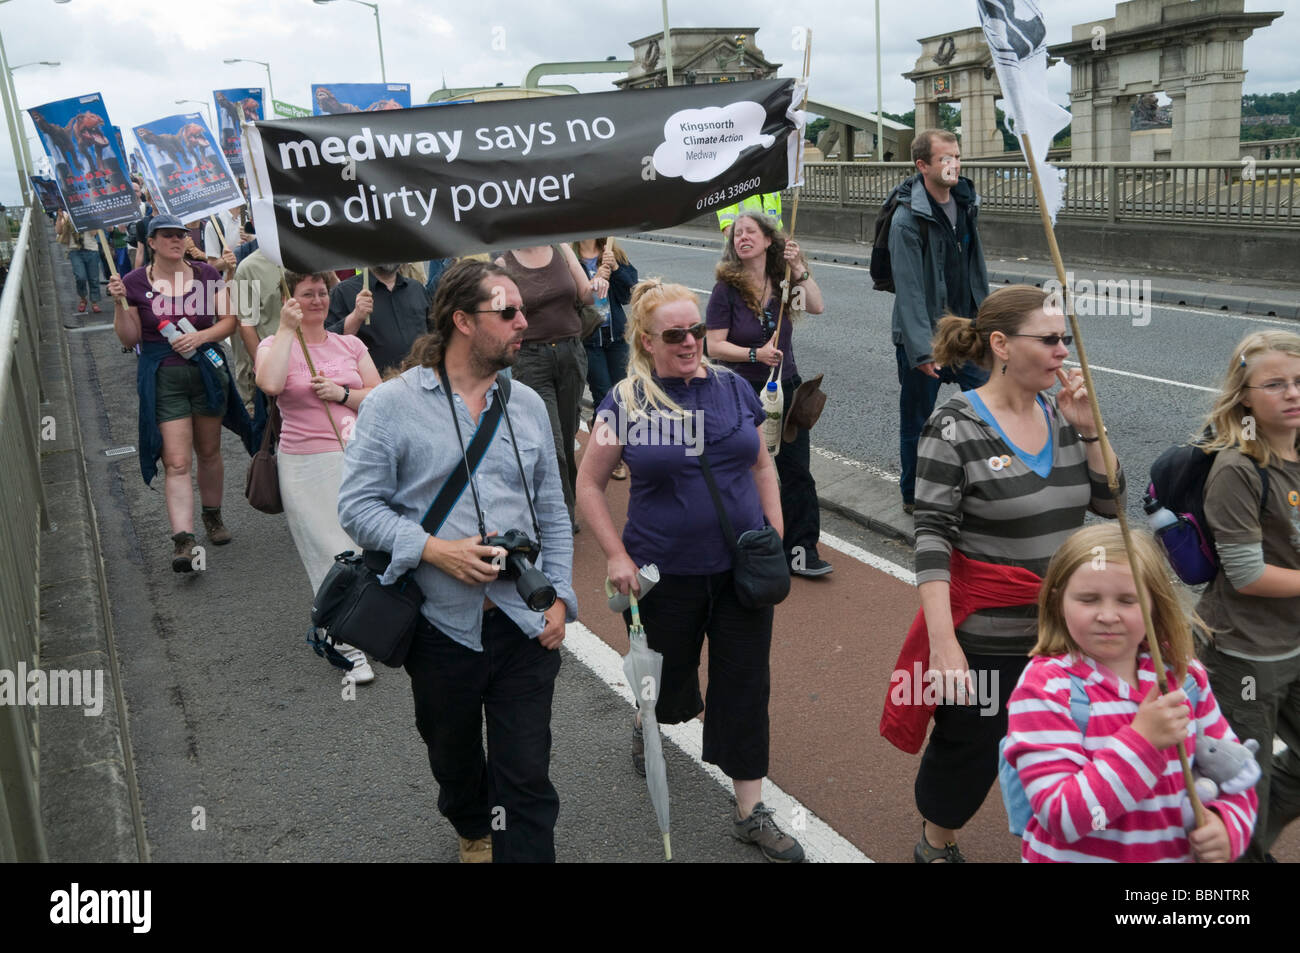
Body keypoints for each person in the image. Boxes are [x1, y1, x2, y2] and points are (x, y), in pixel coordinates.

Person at [337, 259, 575, 863]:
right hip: (440, 628)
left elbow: (552, 509)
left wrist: (562, 599)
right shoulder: (391, 405)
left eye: (523, 310)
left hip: (523, 622)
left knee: (526, 775)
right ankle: (471, 824)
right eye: (509, 312)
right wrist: (433, 549)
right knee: (453, 752)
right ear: (463, 321)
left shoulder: (525, 405)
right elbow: (357, 508)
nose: (525, 321)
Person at [576, 279, 804, 863]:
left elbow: (760, 464)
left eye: (696, 331)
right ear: (647, 342)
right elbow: (588, 485)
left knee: (745, 684)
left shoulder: (733, 389)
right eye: (674, 335)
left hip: (738, 572)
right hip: (661, 573)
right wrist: (615, 554)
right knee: (667, 683)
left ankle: (750, 810)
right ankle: (645, 714)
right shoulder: (623, 401)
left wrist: (774, 532)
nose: (689, 342)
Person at [909, 284, 1122, 862]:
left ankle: (1052, 844)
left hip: (1064, 632)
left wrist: (1090, 430)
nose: (1063, 353)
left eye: (1065, 340)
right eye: (1050, 340)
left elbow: (1111, 507)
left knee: (1070, 746)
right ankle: (937, 838)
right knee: (971, 747)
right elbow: (931, 536)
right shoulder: (954, 425)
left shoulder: (1063, 414)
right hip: (989, 636)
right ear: (1001, 344)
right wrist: (944, 645)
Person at [1004, 524, 1258, 862]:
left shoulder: (1185, 677)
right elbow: (1061, 815)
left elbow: (1233, 771)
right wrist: (1143, 742)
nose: (1108, 616)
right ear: (1057, 600)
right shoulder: (1046, 687)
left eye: (1127, 600)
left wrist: (1228, 828)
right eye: (1088, 599)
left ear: (1155, 603)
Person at [1194, 329, 1300, 862]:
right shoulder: (1239, 468)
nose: (1292, 393)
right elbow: (1247, 575)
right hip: (1245, 656)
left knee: (1265, 796)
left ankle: (1250, 842)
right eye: (1276, 383)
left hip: (1296, 642)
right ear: (1245, 396)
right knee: (1241, 783)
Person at [256, 271, 382, 685]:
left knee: (368, 548)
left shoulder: (350, 343)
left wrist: (342, 394)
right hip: (306, 465)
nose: (317, 300)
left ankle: (370, 627)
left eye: (322, 293)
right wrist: (286, 329)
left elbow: (379, 396)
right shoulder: (274, 345)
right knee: (329, 553)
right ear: (289, 300)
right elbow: (270, 383)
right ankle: (346, 646)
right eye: (306, 294)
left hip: (358, 459)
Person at [107, 214, 253, 571]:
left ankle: (212, 517)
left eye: (181, 234)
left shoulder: (206, 275)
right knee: (176, 460)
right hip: (163, 378)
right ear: (151, 242)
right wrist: (118, 303)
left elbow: (228, 321)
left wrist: (201, 337)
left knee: (208, 450)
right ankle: (183, 540)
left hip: (206, 371)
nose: (176, 240)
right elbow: (129, 338)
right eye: (167, 235)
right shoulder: (134, 282)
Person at [705, 212, 830, 577]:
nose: (741, 237)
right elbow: (713, 345)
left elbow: (817, 305)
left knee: (797, 473)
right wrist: (754, 354)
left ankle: (801, 550)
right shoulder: (725, 289)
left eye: (750, 232)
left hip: (785, 387)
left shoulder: (783, 282)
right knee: (744, 468)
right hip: (740, 392)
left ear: (767, 240)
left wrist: (799, 265)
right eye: (736, 234)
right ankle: (749, 542)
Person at [889, 128, 991, 514]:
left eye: (958, 157)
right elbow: (910, 291)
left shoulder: (965, 203)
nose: (955, 164)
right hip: (925, 337)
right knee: (917, 420)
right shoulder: (906, 220)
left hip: (966, 333)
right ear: (922, 165)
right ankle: (913, 494)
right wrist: (921, 350)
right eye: (946, 158)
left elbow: (975, 270)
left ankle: (981, 486)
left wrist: (988, 322)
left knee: (989, 408)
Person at [496, 244, 592, 527]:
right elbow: (500, 313)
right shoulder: (504, 260)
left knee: (566, 432)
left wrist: (598, 284)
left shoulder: (561, 248)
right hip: (531, 358)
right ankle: (561, 515)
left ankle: (567, 497)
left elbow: (585, 296)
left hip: (571, 353)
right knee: (552, 442)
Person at [573, 237, 637, 480]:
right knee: (603, 394)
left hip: (616, 337)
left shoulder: (612, 253)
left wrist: (617, 270)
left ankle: (603, 429)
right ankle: (615, 457)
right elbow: (570, 298)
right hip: (589, 339)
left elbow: (629, 294)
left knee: (621, 394)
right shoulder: (570, 256)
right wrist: (590, 282)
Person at [326, 263, 431, 374]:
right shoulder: (343, 292)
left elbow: (434, 334)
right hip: (375, 386)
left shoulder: (416, 288)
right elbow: (328, 344)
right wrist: (355, 317)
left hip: (422, 380)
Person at [232, 245, 286, 412]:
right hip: (278, 364)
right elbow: (246, 324)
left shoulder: (310, 254)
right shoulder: (247, 268)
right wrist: (263, 367)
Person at [57, 212, 103, 314]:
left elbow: (93, 233)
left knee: (94, 278)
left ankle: (94, 302)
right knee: (80, 276)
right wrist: (60, 217)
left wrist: (86, 216)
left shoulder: (89, 213)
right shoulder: (67, 215)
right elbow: (59, 231)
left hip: (91, 248)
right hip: (75, 250)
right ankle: (83, 298)